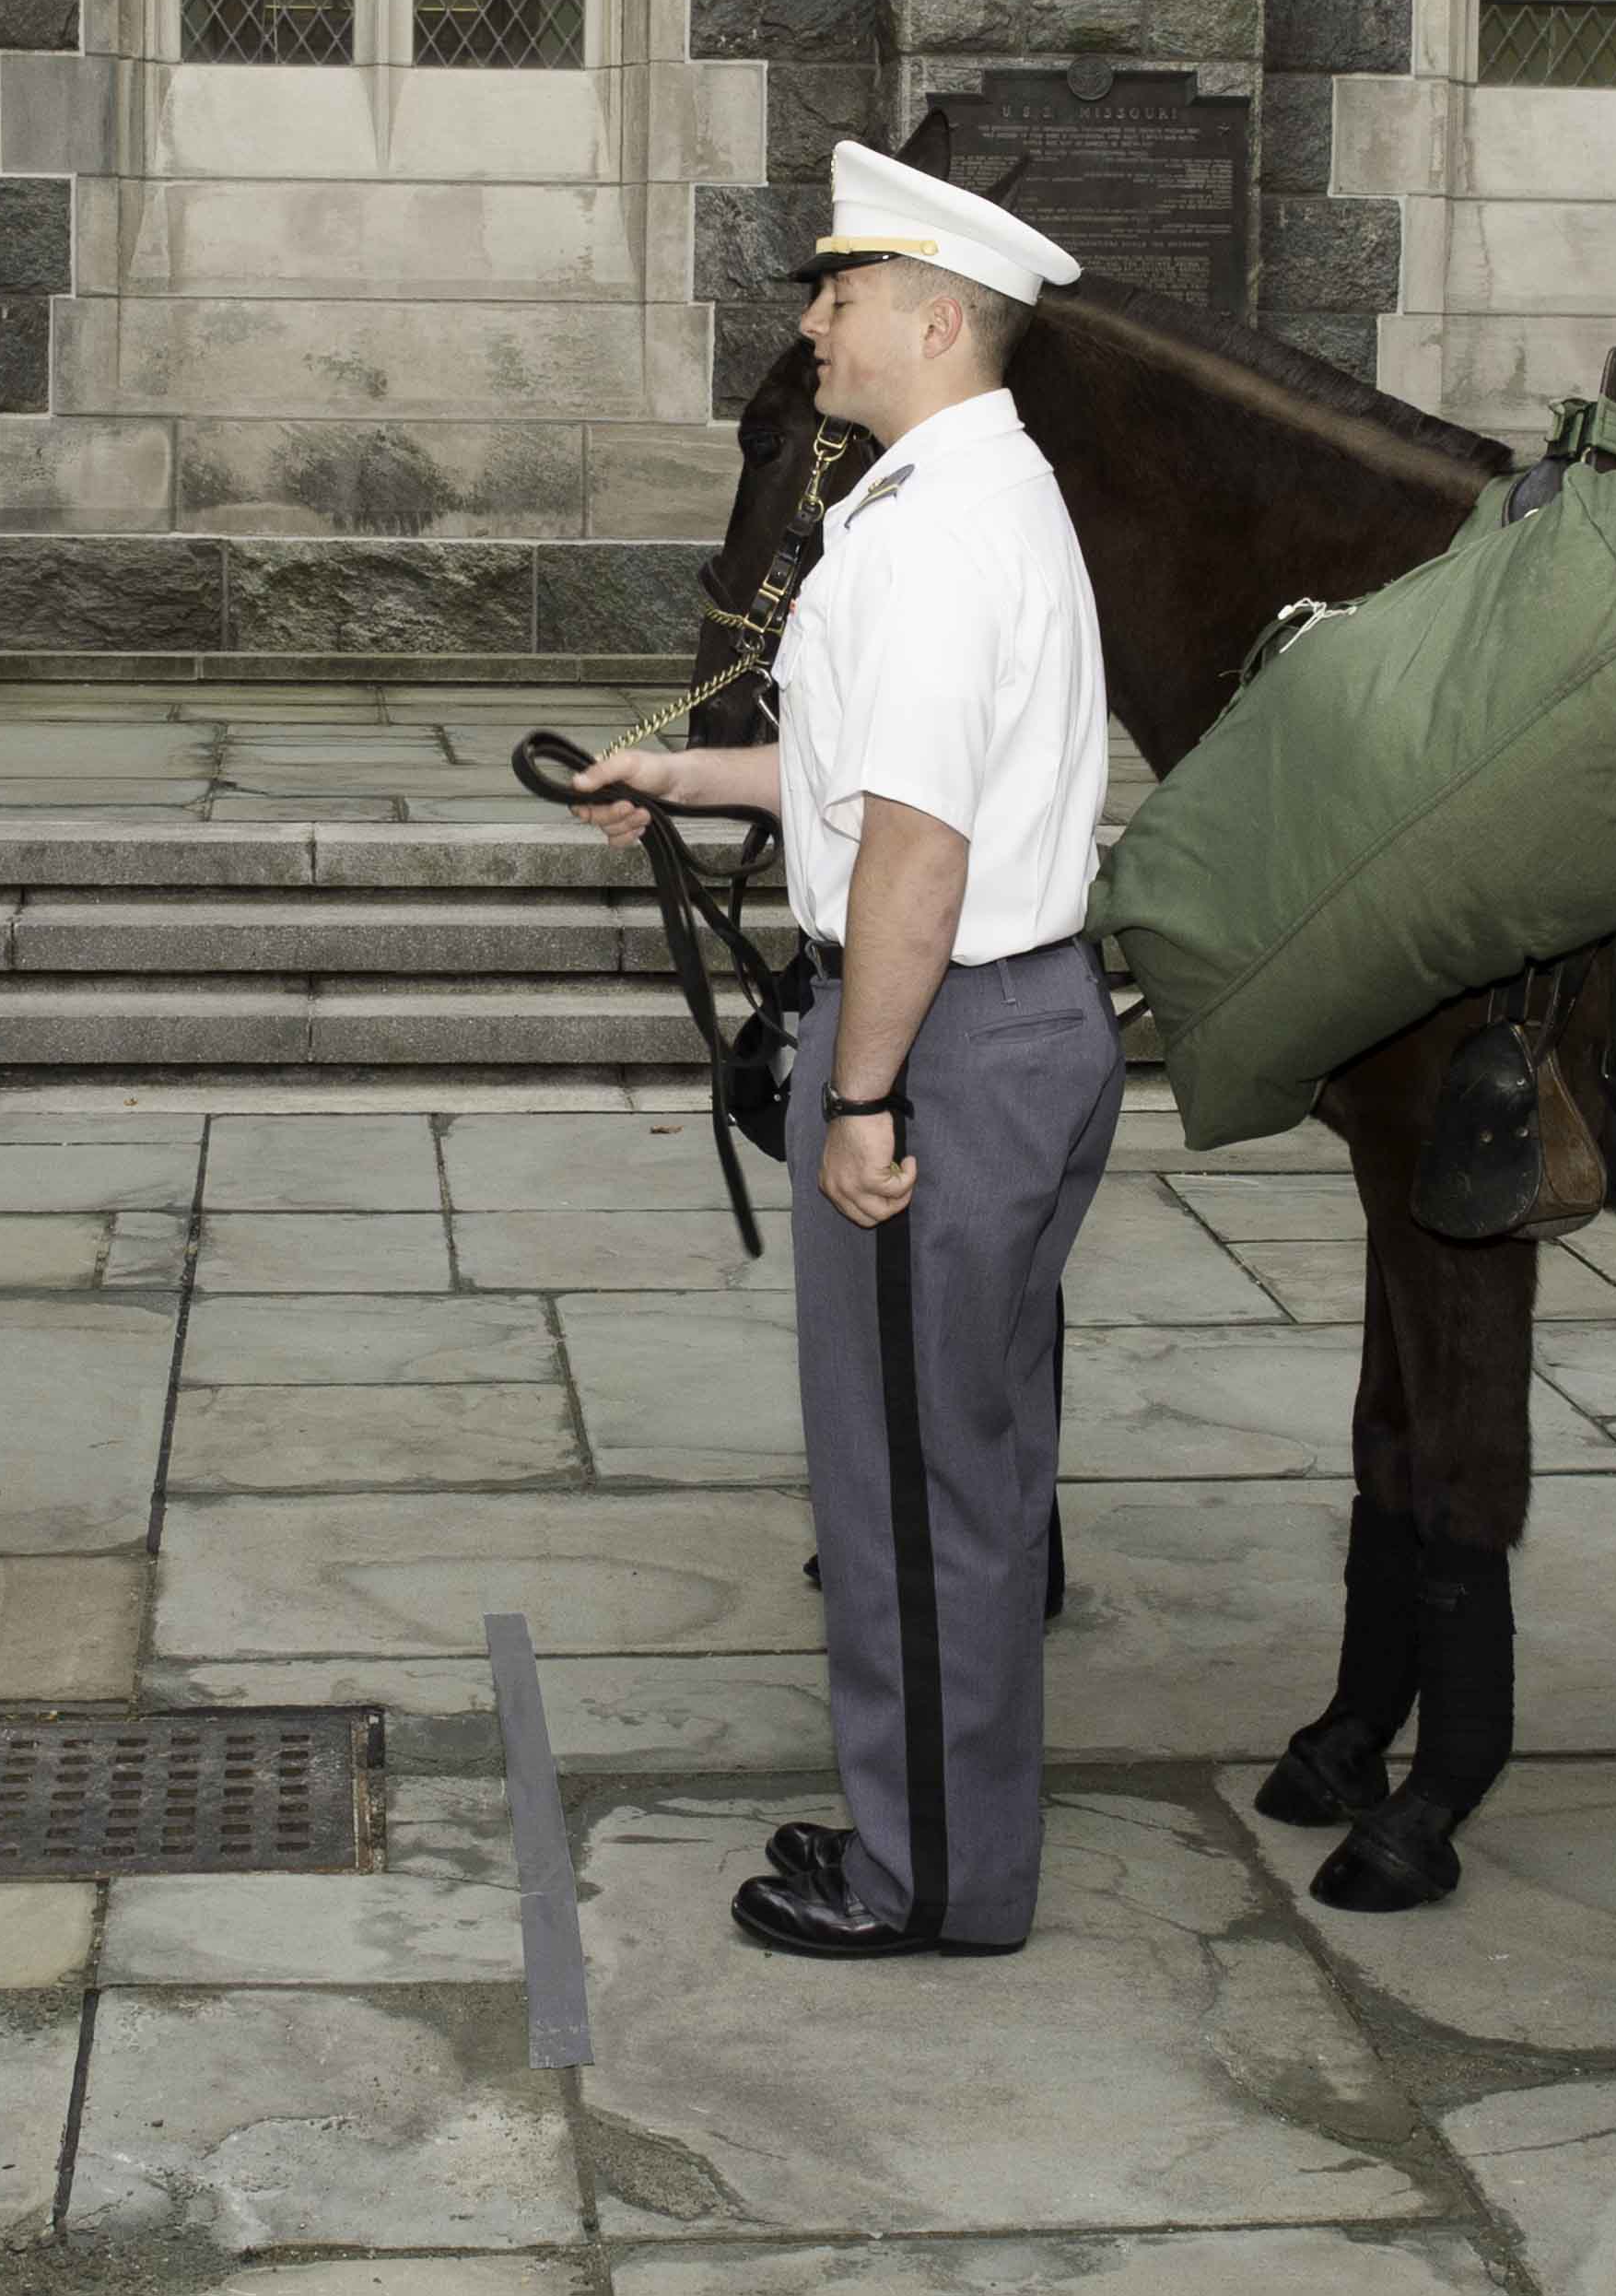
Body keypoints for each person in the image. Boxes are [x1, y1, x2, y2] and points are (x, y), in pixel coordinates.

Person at [568, 139, 1118, 1958]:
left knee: (910, 1483)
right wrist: (682, 769)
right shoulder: (952, 498)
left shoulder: (941, 529)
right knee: (953, 1459)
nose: (811, 320)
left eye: (841, 291)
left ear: (935, 316)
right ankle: (927, 1824)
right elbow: (862, 779)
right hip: (996, 1021)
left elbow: (916, 849)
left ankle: (927, 1877)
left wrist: (863, 1090)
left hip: (940, 1036)